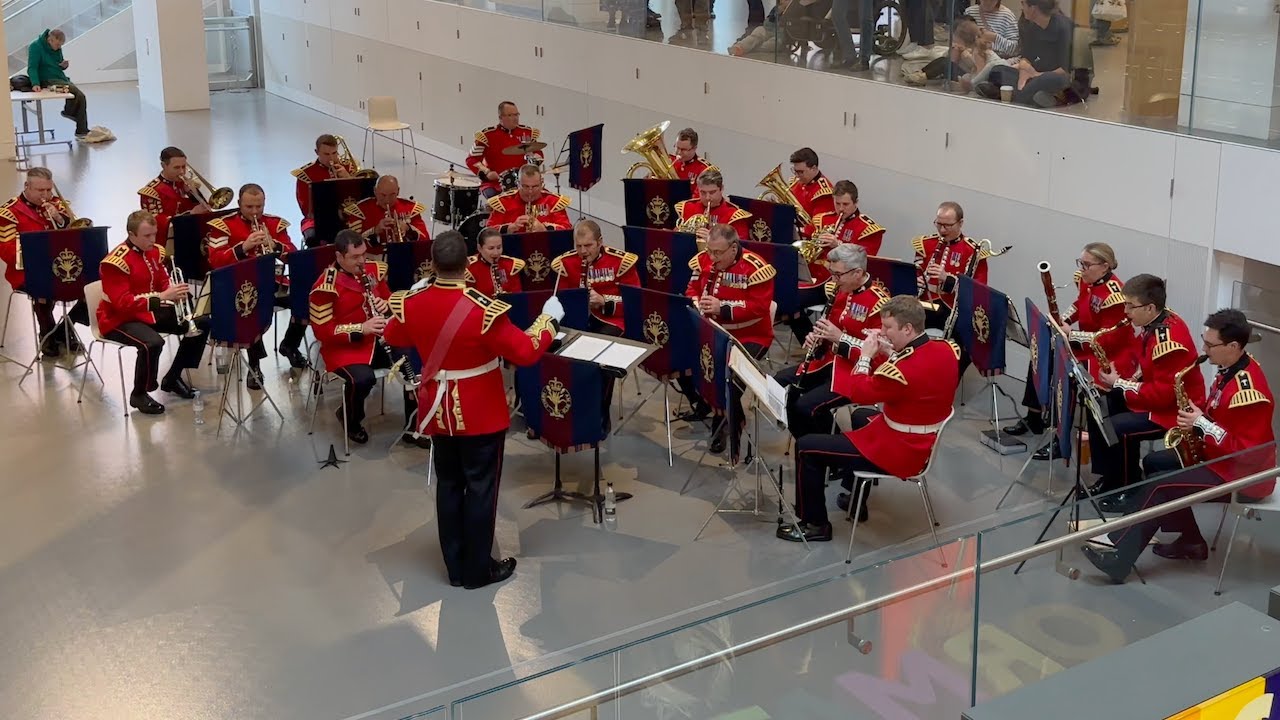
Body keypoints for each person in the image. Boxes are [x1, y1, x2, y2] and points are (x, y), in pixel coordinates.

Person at [383, 231, 562, 590]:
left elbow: (393, 335)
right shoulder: (483, 309)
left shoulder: (412, 301)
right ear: (468, 264)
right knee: (481, 488)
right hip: (480, 409)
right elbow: (525, 352)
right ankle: (478, 570)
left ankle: (454, 565)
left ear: (432, 264)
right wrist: (548, 321)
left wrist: (419, 293)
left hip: (437, 409)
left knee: (448, 485)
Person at [1083, 309, 1275, 584]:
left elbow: (1245, 452)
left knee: (1162, 486)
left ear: (1233, 347)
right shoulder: (1231, 369)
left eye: (1210, 345)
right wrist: (1200, 419)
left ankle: (1118, 556)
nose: (1204, 349)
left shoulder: (1249, 394)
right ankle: (1191, 541)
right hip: (1219, 458)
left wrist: (1202, 425)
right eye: (1204, 340)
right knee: (1154, 464)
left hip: (1243, 475)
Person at [779, 295, 960, 541]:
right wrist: (889, 349)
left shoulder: (899, 372)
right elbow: (915, 374)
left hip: (901, 451)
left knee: (806, 446)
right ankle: (855, 498)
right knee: (862, 416)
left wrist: (865, 355)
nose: (881, 331)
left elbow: (858, 391)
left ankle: (815, 524)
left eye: (887, 328)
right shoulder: (946, 349)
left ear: (908, 328)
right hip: (922, 436)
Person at [1091, 274, 1206, 512]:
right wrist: (1122, 382)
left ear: (1150, 307)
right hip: (1157, 399)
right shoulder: (1155, 321)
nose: (1125, 312)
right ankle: (1110, 478)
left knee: (1119, 427)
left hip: (1174, 412)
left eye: (1130, 306)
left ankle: (1128, 489)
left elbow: (1161, 397)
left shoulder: (1168, 341)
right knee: (1103, 404)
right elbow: (1149, 369)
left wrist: (1120, 383)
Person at [1006, 243, 1129, 460]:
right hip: (1086, 345)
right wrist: (1060, 320)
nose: (1082, 268)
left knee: (1067, 376)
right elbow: (1079, 304)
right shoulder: (1087, 279)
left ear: (1105, 266)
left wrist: (1071, 335)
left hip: (1107, 354)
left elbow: (1108, 339)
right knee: (1041, 351)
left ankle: (1059, 440)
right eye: (1080, 262)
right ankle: (1034, 417)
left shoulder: (1115, 296)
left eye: (1086, 264)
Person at [309, 229, 422, 447]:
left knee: (412, 361)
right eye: (355, 257)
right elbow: (322, 332)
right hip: (345, 348)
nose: (362, 261)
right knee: (363, 379)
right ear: (340, 256)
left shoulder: (372, 271)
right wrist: (361, 328)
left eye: (364, 254)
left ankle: (414, 426)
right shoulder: (324, 286)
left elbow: (391, 301)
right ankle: (350, 418)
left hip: (378, 341)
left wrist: (386, 306)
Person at [676, 224, 776, 459]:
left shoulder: (756, 268)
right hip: (711, 331)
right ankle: (705, 405)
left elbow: (760, 308)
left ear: (733, 248)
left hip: (750, 336)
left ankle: (725, 423)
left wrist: (724, 308)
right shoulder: (704, 260)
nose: (712, 257)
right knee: (679, 362)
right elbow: (691, 288)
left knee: (727, 382)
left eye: (717, 253)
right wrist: (697, 303)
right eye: (710, 251)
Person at [97, 211, 210, 415]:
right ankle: (139, 394)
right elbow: (123, 303)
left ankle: (173, 377)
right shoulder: (115, 262)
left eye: (154, 234)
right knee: (153, 343)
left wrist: (174, 292)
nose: (153, 240)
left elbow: (161, 280)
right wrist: (162, 296)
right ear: (131, 235)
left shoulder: (155, 251)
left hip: (148, 312)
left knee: (201, 323)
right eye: (146, 236)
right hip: (118, 319)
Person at [775, 243, 888, 439]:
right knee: (782, 385)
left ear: (857, 273)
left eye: (838, 275)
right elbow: (830, 330)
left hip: (856, 371)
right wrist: (818, 338)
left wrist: (839, 338)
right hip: (829, 361)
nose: (833, 280)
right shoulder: (840, 290)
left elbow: (878, 355)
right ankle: (808, 444)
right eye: (832, 273)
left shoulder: (880, 304)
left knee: (806, 406)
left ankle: (824, 452)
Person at [206, 183, 309, 381]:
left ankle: (290, 345)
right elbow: (215, 260)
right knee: (250, 307)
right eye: (249, 207)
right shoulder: (222, 226)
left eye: (259, 207)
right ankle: (255, 366)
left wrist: (275, 245)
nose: (255, 212)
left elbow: (295, 257)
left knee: (304, 298)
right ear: (239, 204)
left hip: (271, 281)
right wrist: (242, 247)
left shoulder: (274, 223)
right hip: (239, 286)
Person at [552, 219, 641, 431]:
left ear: (600, 242)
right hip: (577, 321)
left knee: (602, 357)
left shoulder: (621, 262)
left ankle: (600, 411)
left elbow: (635, 302)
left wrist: (605, 302)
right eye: (579, 246)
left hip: (612, 320)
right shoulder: (566, 263)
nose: (583, 251)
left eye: (588, 246)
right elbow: (560, 300)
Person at [0, 167, 89, 356]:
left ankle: (64, 329)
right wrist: (38, 249)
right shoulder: (9, 212)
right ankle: (47, 333)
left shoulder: (57, 205)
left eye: (49, 190)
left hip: (60, 263)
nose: (46, 195)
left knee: (91, 285)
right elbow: (7, 251)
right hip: (27, 270)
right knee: (44, 288)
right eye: (41, 191)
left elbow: (75, 235)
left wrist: (59, 218)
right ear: (27, 186)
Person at [977, 0, 1072, 107]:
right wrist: (1024, 71)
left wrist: (1036, 75)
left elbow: (1065, 69)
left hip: (1054, 76)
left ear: (1033, 8)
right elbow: (1025, 57)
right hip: (1033, 73)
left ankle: (1010, 95)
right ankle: (1036, 97)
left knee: (1047, 79)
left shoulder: (1063, 27)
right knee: (997, 70)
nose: (1021, 8)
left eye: (1023, 4)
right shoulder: (1029, 26)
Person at [913, 201, 987, 334]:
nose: (942, 230)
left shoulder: (973, 251)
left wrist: (947, 279)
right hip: (923, 305)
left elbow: (977, 290)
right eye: (939, 224)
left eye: (947, 226)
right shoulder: (925, 243)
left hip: (951, 310)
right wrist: (915, 281)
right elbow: (916, 271)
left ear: (960, 223)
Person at [801, 180, 885, 282]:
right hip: (813, 277)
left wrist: (838, 245)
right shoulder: (822, 219)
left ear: (856, 202)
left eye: (845, 204)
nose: (841, 208)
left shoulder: (868, 229)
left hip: (844, 283)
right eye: (837, 203)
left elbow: (864, 261)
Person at [138, 146, 212, 248]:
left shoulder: (184, 184)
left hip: (193, 238)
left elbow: (206, 210)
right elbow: (156, 224)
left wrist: (193, 194)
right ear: (163, 165)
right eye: (177, 168)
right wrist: (190, 214)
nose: (182, 172)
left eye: (184, 167)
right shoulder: (152, 191)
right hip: (169, 246)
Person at [466, 102, 543, 199]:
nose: (515, 118)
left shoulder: (527, 133)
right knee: (498, 202)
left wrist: (534, 160)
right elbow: (471, 159)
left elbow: (538, 153)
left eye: (516, 114)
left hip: (523, 183)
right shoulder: (487, 135)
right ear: (501, 117)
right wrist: (487, 172)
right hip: (495, 184)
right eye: (510, 115)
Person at [293, 134, 358, 246]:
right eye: (326, 154)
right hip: (319, 219)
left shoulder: (348, 167)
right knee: (312, 234)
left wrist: (348, 179)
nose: (332, 158)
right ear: (317, 152)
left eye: (334, 153)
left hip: (347, 216)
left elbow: (360, 199)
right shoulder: (306, 174)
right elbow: (306, 210)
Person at [27, 29, 90, 140]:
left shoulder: (57, 48)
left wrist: (63, 65)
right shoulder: (35, 47)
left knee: (80, 96)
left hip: (60, 78)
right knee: (74, 92)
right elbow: (32, 67)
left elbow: (58, 63)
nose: (58, 47)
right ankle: (71, 115)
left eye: (60, 45)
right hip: (47, 81)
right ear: (50, 40)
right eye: (57, 44)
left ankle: (81, 128)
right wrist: (35, 83)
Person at [342, 175, 429, 255]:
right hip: (373, 261)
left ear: (398, 191)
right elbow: (352, 245)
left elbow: (425, 241)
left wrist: (408, 229)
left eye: (392, 195)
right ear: (375, 191)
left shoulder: (410, 208)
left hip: (404, 258)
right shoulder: (361, 210)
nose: (387, 200)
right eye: (383, 195)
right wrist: (375, 230)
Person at [674, 169, 753, 245]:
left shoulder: (733, 215)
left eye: (712, 192)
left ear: (721, 189)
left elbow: (740, 246)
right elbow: (675, 236)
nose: (707, 197)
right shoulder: (687, 207)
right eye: (703, 192)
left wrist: (714, 240)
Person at [484, 165, 572, 233]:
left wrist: (544, 229)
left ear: (541, 183)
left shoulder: (553, 201)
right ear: (518, 184)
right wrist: (511, 227)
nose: (530, 191)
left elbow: (567, 229)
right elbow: (488, 232)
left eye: (535, 186)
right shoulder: (504, 202)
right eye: (525, 186)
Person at [466, 228, 524, 295]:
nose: (496, 253)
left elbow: (517, 296)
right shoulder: (471, 268)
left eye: (499, 247)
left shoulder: (510, 265)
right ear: (479, 248)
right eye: (491, 248)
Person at [787, 148, 835, 223]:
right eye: (795, 171)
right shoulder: (795, 182)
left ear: (813, 168)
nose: (797, 175)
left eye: (801, 172)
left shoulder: (824, 193)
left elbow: (819, 226)